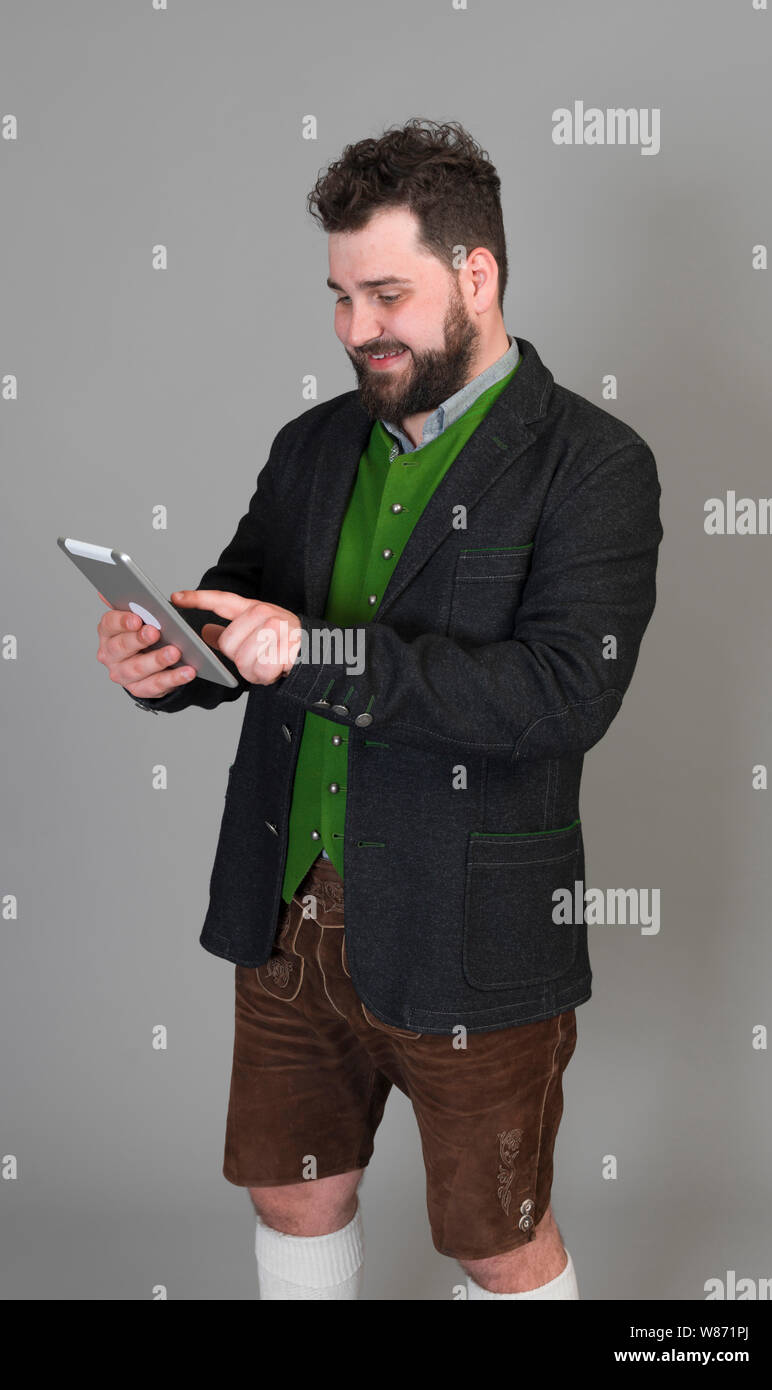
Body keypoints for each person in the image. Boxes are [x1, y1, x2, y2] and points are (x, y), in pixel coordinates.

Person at [96, 118, 662, 1300]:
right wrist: (172, 653)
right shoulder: (311, 446)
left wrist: (316, 652)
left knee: (492, 1238)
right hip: (289, 910)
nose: (359, 331)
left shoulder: (594, 464)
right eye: (341, 297)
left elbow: (563, 693)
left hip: (471, 925)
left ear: (477, 274)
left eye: (388, 295)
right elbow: (247, 617)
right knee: (293, 1190)